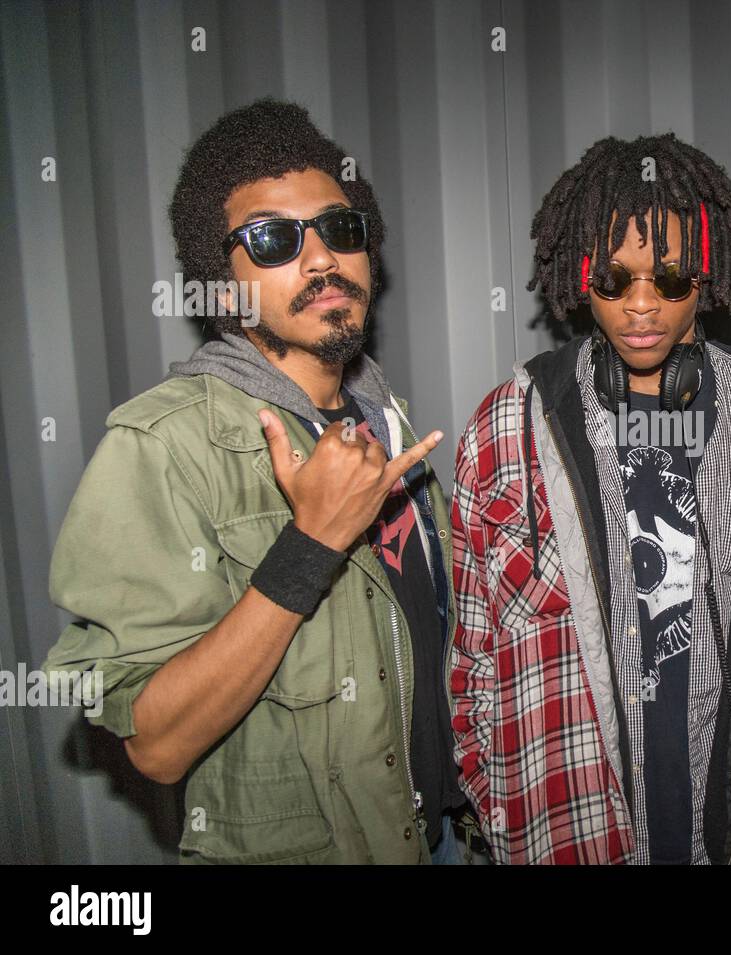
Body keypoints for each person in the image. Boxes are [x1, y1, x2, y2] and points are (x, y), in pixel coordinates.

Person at [42, 99, 470, 863]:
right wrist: (309, 544)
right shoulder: (166, 445)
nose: (320, 260)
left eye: (341, 230)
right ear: (222, 277)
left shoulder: (388, 423)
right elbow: (157, 745)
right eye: (272, 240)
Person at [449, 133, 731, 863]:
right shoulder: (508, 428)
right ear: (577, 277)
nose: (642, 306)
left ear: (711, 274)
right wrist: (515, 821)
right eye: (614, 281)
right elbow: (470, 669)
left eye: (672, 279)